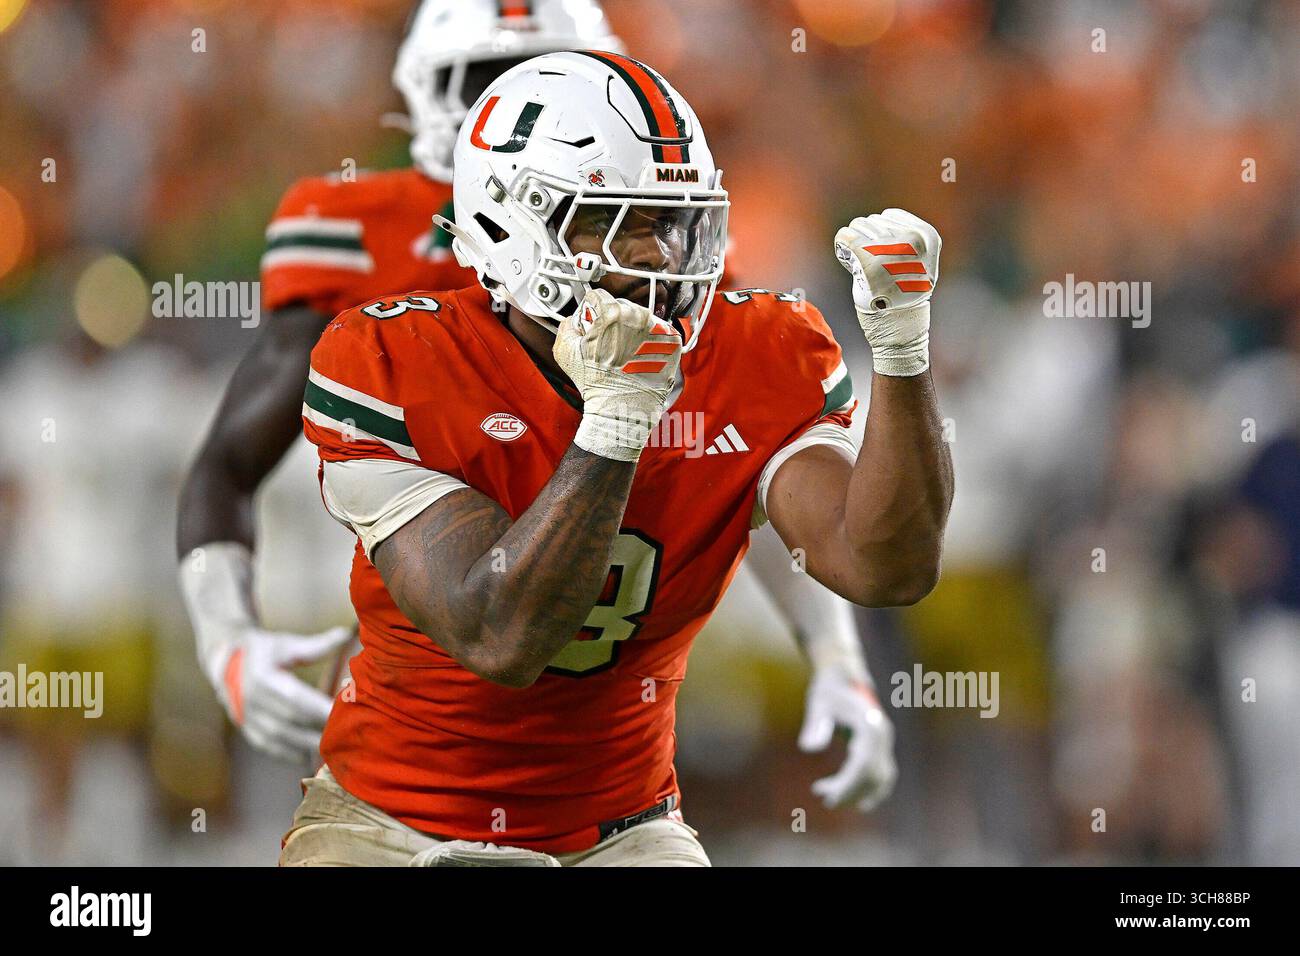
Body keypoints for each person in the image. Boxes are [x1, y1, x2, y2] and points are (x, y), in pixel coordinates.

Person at [178, 0, 898, 812]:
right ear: (425, 88)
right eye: (485, 77)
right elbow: (229, 464)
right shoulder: (354, 229)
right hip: (410, 583)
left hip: (613, 591)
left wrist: (833, 654)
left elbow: (735, 450)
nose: (516, 95)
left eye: (545, 72)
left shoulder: (651, 243)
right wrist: (225, 636)